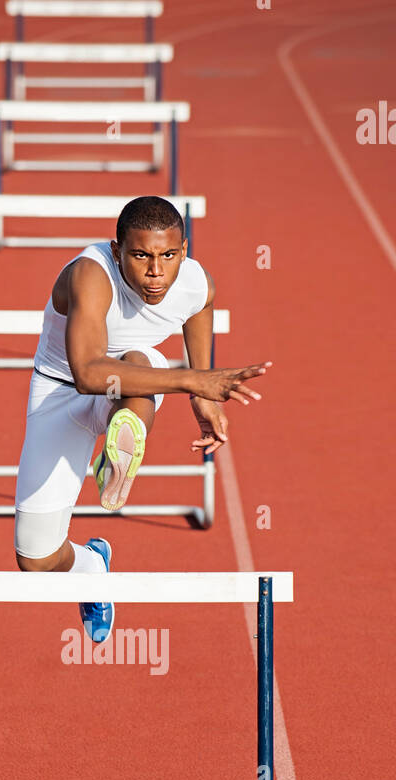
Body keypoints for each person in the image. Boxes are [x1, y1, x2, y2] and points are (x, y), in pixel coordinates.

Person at [13, 195, 270, 642]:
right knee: (34, 559)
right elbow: (89, 373)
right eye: (141, 256)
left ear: (184, 250)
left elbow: (199, 306)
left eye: (168, 256)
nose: (156, 272)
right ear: (117, 252)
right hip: (61, 390)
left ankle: (122, 446)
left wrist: (203, 401)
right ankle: (93, 563)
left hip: (132, 382)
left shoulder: (195, 282)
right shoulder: (90, 275)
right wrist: (194, 381)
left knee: (139, 362)